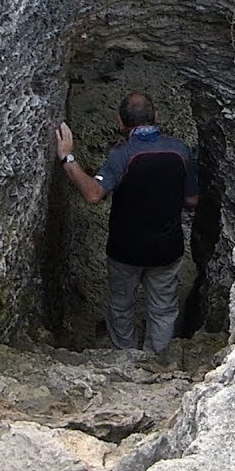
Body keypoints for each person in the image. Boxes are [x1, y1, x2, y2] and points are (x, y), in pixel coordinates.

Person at [54, 92, 199, 354]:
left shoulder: (122, 155)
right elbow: (192, 199)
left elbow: (93, 193)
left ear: (120, 121)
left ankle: (125, 356)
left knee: (122, 304)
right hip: (167, 248)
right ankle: (158, 358)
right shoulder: (180, 150)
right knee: (163, 308)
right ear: (157, 117)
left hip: (125, 249)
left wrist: (67, 157)